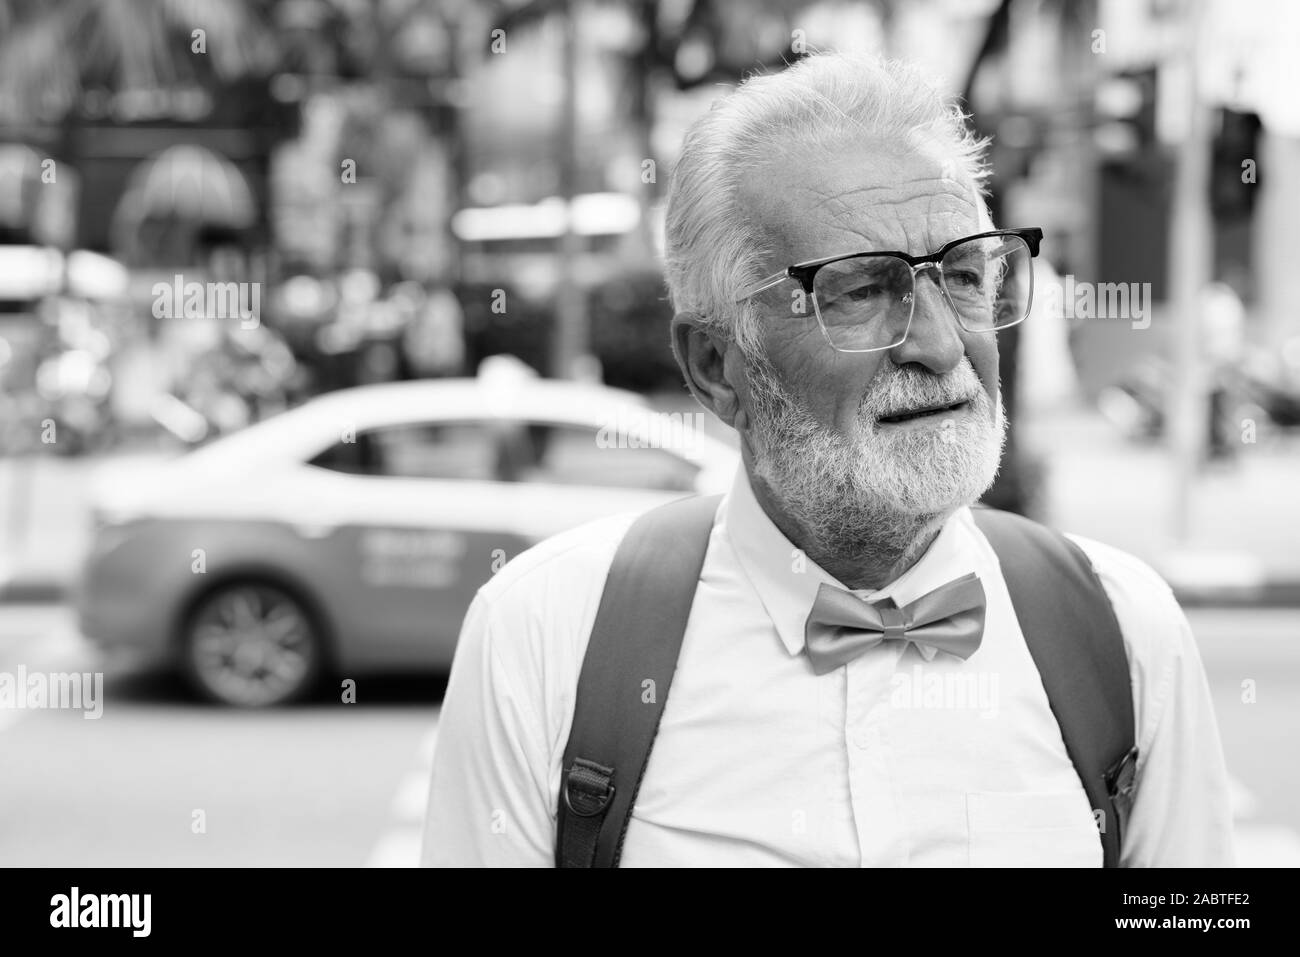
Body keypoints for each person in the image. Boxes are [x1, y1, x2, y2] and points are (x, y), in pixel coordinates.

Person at [421, 52, 1234, 867]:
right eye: (860, 291)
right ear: (716, 365)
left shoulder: (1122, 632)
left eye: (961, 273)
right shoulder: (545, 634)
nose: (942, 344)